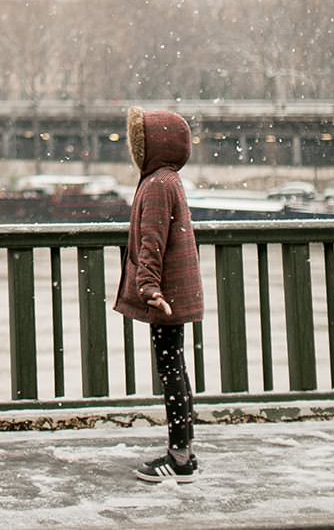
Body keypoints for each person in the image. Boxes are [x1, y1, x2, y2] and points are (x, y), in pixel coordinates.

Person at [116, 107, 204, 483]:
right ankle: (184, 449)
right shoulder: (170, 179)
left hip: (164, 295)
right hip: (177, 291)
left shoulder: (155, 185)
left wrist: (149, 287)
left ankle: (179, 457)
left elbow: (152, 241)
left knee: (170, 370)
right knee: (177, 369)